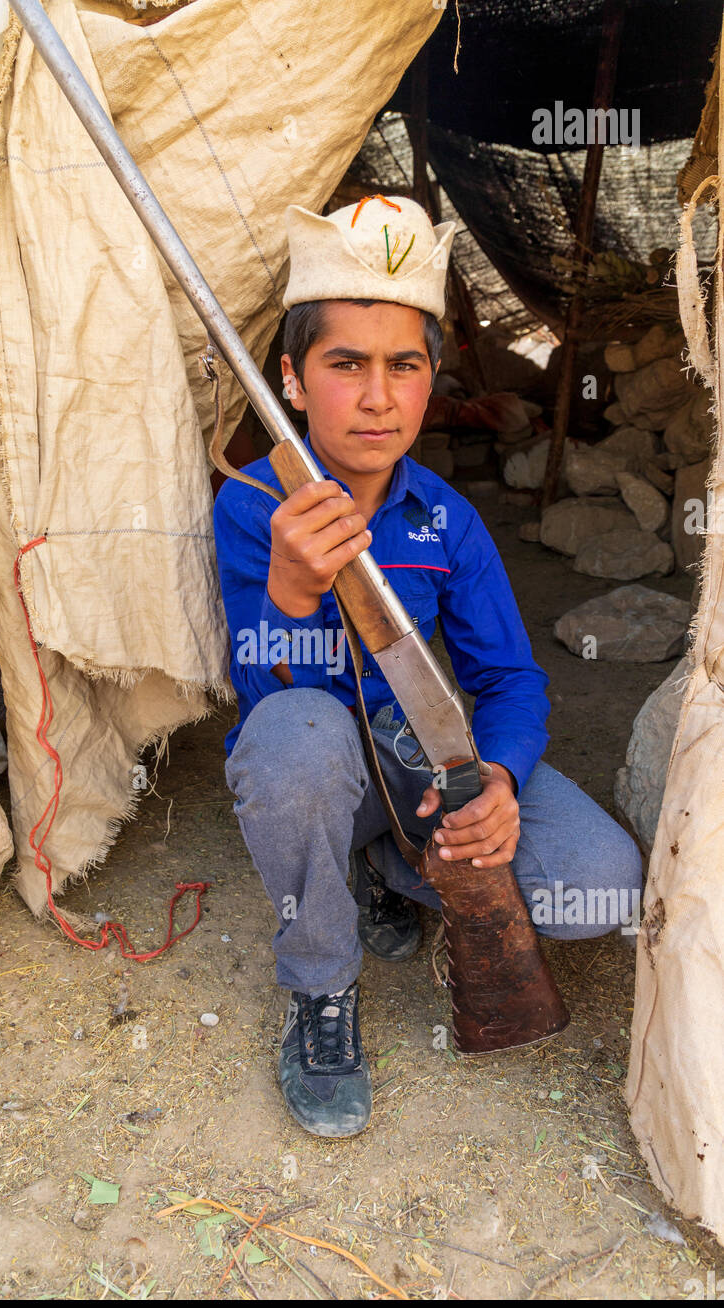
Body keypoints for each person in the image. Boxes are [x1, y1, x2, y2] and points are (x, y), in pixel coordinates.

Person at [212, 194, 642, 1139]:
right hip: (323, 760)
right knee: (293, 749)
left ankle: (384, 868)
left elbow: (511, 683)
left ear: (430, 382)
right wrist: (287, 593)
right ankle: (322, 985)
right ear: (290, 380)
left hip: (422, 771)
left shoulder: (449, 516)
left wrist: (499, 779)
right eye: (345, 365)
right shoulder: (249, 507)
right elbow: (260, 703)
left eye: (404, 366)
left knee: (603, 888)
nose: (376, 396)